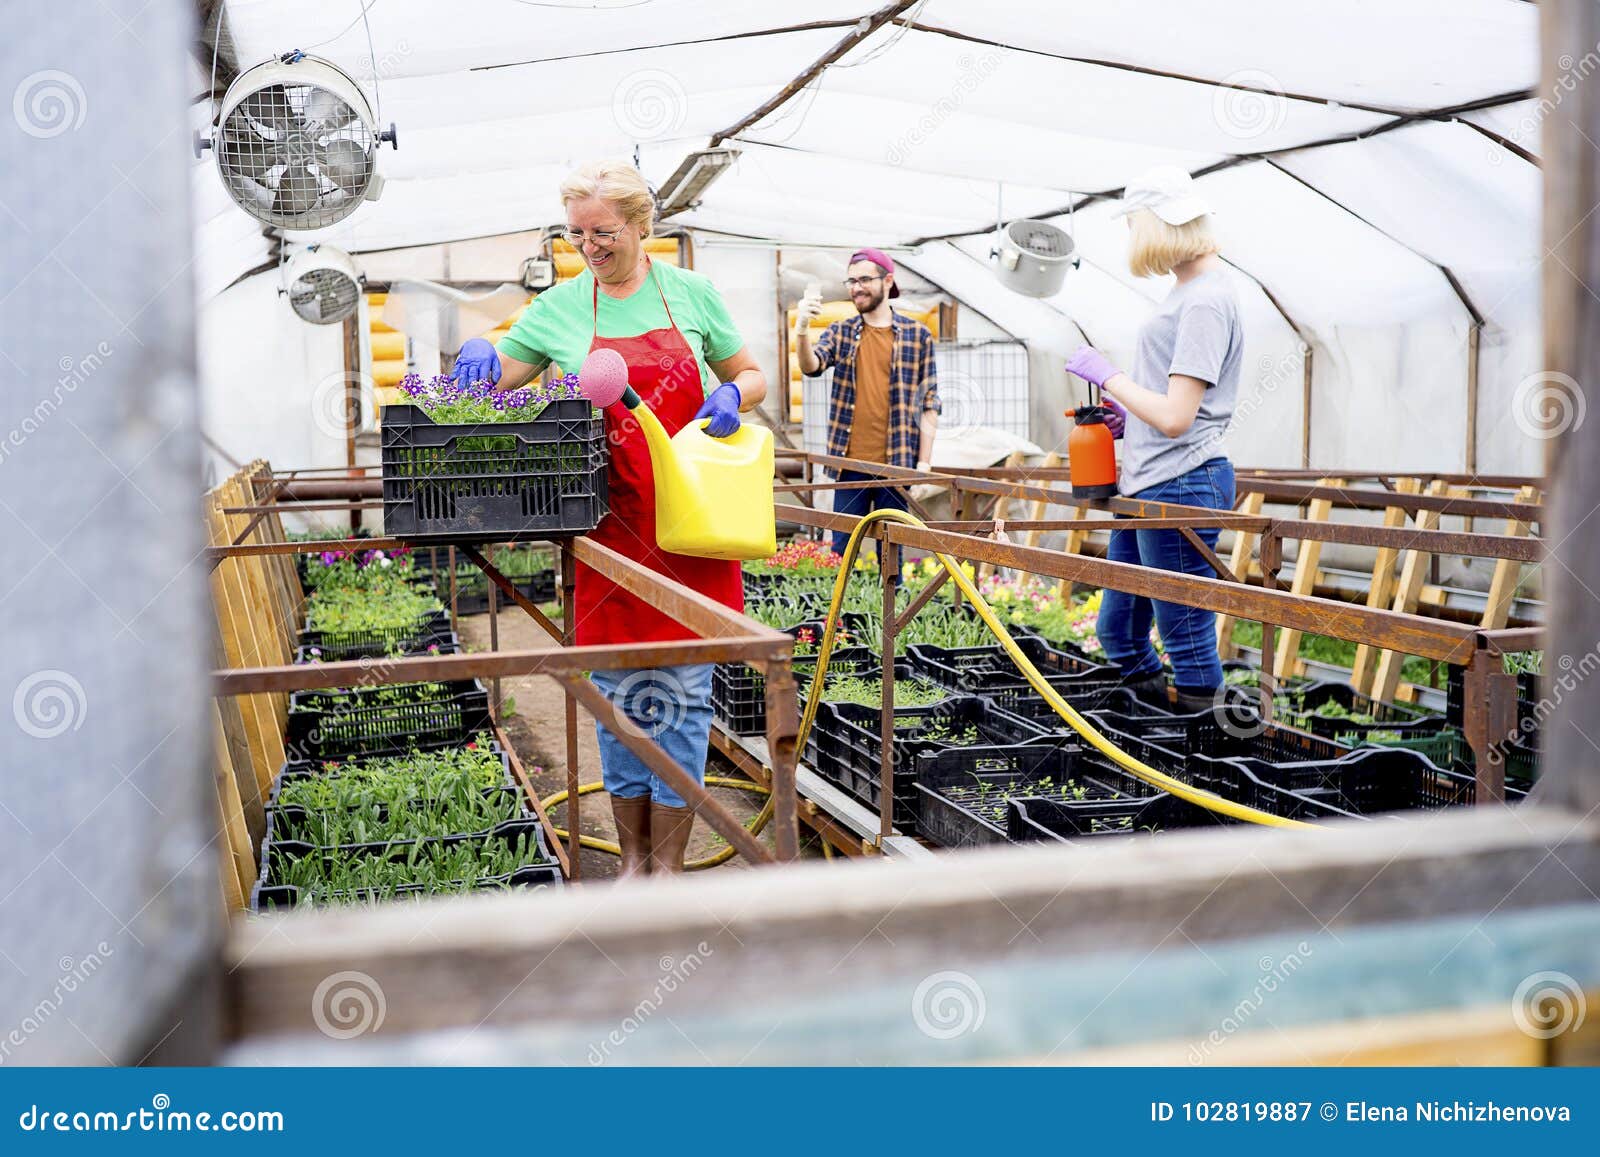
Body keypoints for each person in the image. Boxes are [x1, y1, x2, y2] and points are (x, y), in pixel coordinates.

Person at [450, 160, 767, 877]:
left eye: (604, 232)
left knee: (683, 698)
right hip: (605, 532)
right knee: (617, 698)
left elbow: (751, 374)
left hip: (690, 524)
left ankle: (668, 869)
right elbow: (497, 376)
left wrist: (732, 398)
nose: (589, 246)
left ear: (641, 226)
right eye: (577, 234)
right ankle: (630, 864)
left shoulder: (691, 293)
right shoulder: (561, 307)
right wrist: (475, 353)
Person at [1064, 166, 1240, 714]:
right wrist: (1127, 418)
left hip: (1184, 483)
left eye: (1134, 226)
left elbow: (1178, 418)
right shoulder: (1185, 292)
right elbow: (1164, 408)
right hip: (1149, 483)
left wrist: (1109, 376)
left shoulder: (1207, 299)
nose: (1131, 240)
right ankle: (1155, 726)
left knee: (1185, 637)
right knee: (1118, 629)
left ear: (1159, 226)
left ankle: (1204, 762)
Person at [795, 247, 940, 560]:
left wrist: (924, 465)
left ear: (887, 281)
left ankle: (890, 613)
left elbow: (929, 403)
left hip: (896, 466)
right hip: (849, 467)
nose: (855, 287)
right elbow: (812, 366)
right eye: (850, 281)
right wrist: (802, 331)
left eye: (863, 279)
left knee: (891, 557)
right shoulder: (841, 332)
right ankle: (838, 612)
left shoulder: (918, 336)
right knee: (840, 553)